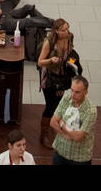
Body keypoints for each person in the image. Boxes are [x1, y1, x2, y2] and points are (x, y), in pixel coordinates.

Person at [37, 19, 81, 147]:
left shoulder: (69, 37)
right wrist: (51, 60)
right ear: (56, 31)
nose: (67, 32)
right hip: (49, 78)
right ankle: (43, 134)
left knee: (57, 104)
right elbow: (40, 62)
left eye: (67, 28)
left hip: (62, 77)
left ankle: (52, 127)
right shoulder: (49, 42)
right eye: (63, 30)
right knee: (50, 105)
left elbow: (70, 51)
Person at [49, 76, 96, 166]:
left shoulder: (91, 111)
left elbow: (78, 137)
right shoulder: (66, 98)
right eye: (72, 90)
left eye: (77, 92)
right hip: (60, 153)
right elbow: (53, 122)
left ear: (85, 93)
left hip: (79, 159)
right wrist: (64, 134)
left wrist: (62, 124)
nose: (73, 94)